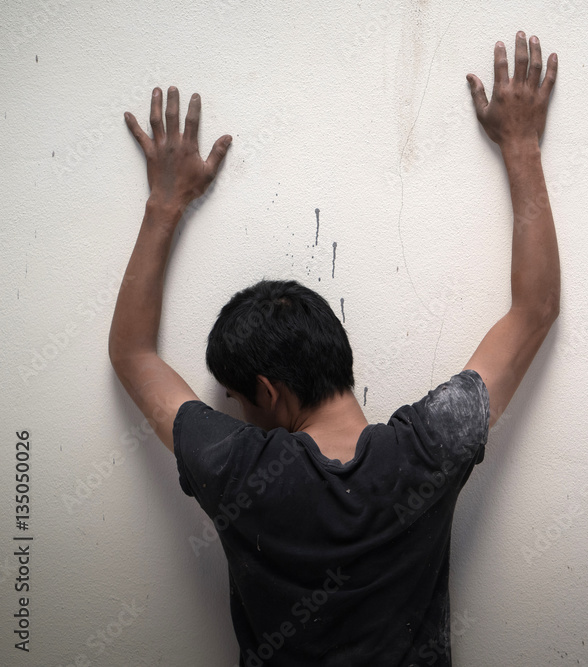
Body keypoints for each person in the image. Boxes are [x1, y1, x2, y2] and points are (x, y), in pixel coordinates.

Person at [108, 31, 559, 666]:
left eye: (236, 398)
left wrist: (165, 200)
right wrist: (521, 143)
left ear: (267, 392)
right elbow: (535, 310)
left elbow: (133, 356)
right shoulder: (429, 451)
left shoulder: (239, 472)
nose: (235, 412)